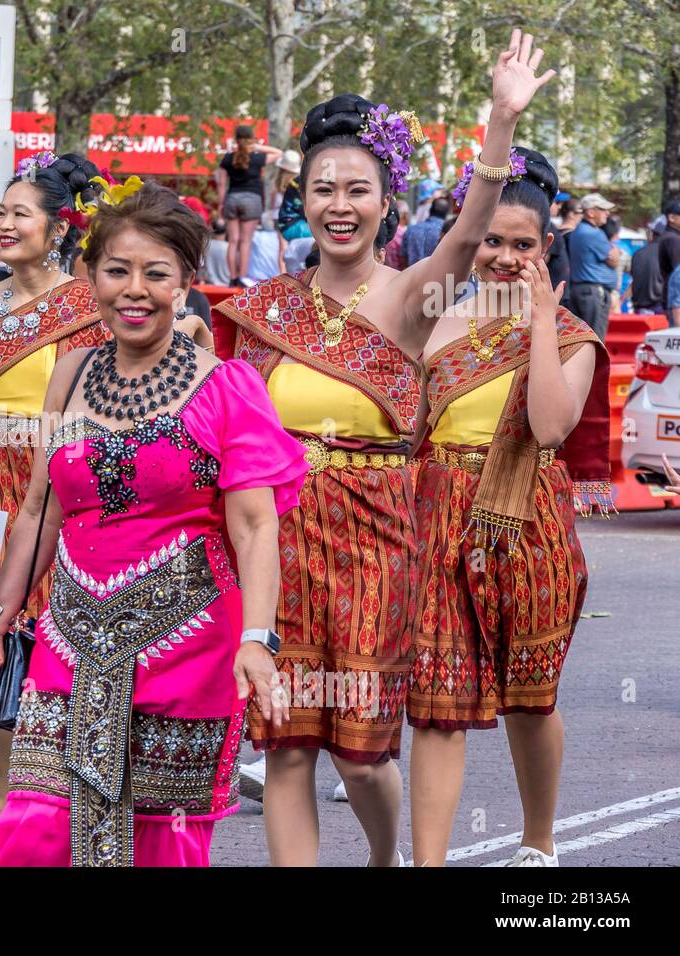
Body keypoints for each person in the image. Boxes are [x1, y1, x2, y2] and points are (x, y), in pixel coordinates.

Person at [214, 30, 553, 867]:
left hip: (376, 539)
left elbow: (471, 235)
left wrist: (500, 122)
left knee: (361, 753)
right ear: (303, 197)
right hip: (279, 535)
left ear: (384, 200)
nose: (339, 203)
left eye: (357, 189)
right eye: (323, 187)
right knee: (287, 742)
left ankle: (382, 854)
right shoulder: (262, 309)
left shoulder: (414, 296)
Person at [0, 181, 309, 866]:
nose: (135, 289)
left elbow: (254, 529)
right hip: (69, 640)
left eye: (156, 273)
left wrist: (257, 639)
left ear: (186, 282)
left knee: (161, 844)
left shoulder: (227, 386)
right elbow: (38, 512)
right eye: (117, 270)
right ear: (91, 277)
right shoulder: (69, 374)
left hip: (189, 647)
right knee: (32, 832)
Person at [409, 148, 610, 868]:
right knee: (435, 698)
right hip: (437, 519)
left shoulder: (572, 336)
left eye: (522, 244)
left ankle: (538, 839)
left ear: (546, 248)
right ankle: (426, 862)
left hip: (529, 523)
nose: (503, 256)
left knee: (531, 698)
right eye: (491, 241)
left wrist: (544, 318)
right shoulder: (435, 322)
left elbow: (551, 426)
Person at [0, 151, 111, 854]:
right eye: (0, 211)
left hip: (65, 494)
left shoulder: (92, 304)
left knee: (57, 649)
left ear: (59, 226)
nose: (4, 224)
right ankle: (4, 785)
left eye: (20, 213)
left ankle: (68, 794)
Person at [216, 124, 282, 284]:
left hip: (232, 199)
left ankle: (232, 278)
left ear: (236, 140)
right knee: (246, 241)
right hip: (252, 200)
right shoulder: (257, 158)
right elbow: (279, 153)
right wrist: (257, 147)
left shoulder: (227, 158)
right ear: (251, 139)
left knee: (233, 241)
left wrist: (221, 205)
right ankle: (243, 278)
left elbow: (222, 184)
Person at [565, 192, 619, 339]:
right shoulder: (593, 233)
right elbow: (613, 259)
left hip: (584, 291)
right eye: (602, 209)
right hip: (593, 292)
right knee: (596, 339)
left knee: (585, 338)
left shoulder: (580, 231)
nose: (607, 213)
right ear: (590, 212)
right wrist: (616, 253)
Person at [628, 217, 667, 314]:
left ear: (652, 235)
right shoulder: (669, 252)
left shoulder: (638, 253)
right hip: (661, 309)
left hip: (639, 309)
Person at [403, 196, 452, 265]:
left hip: (412, 274)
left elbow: (403, 257)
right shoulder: (449, 232)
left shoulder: (411, 229)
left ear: (430, 210)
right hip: (438, 274)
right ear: (447, 213)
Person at [202, 217, 231, 286]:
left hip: (208, 287)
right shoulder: (230, 248)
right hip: (228, 289)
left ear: (212, 229)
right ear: (227, 230)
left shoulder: (205, 245)